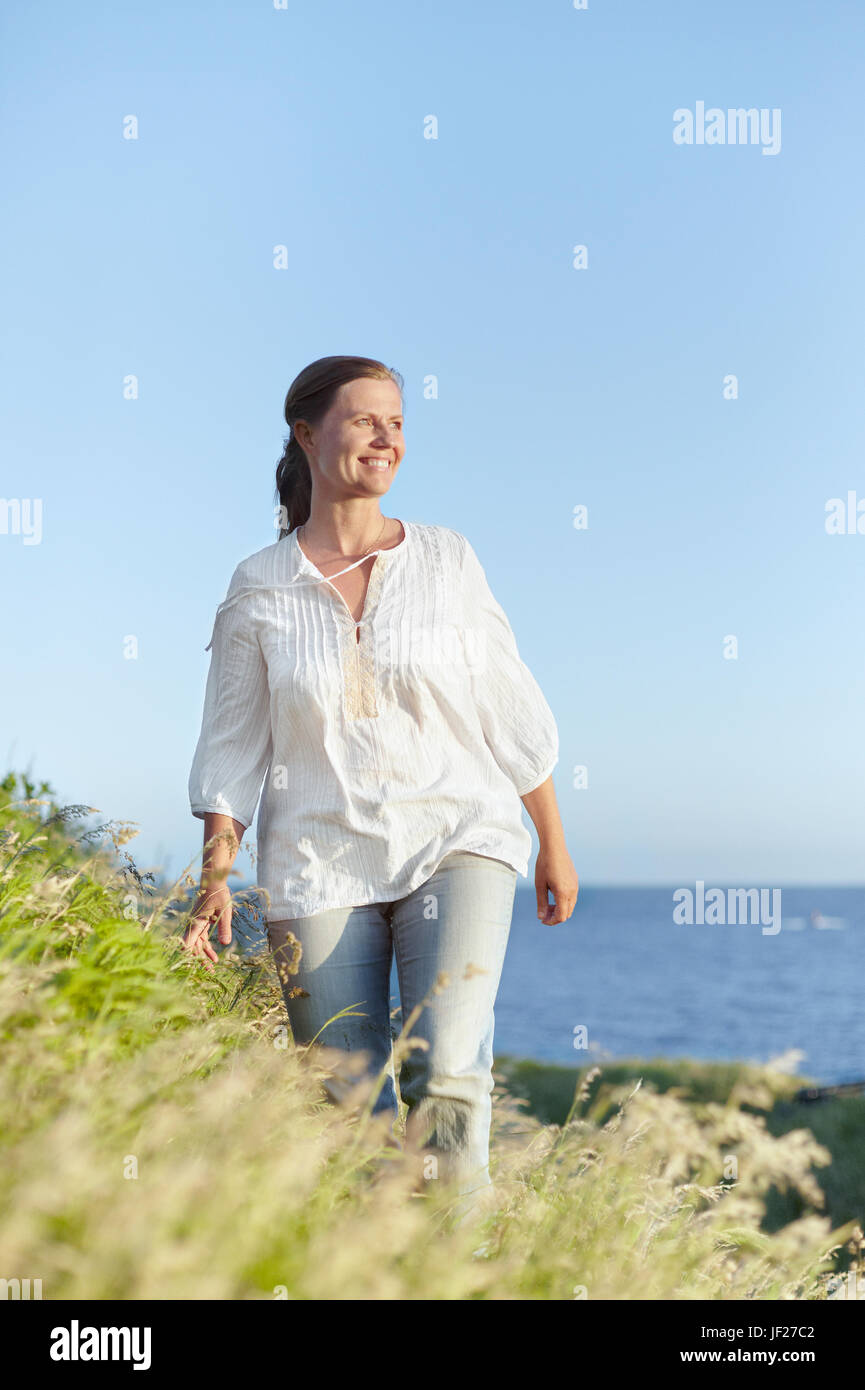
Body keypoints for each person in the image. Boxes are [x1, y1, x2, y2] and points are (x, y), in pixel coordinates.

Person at [183, 354, 579, 1215]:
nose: (385, 436)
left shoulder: (446, 560)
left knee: (446, 1065)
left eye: (396, 422)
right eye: (364, 419)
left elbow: (508, 701)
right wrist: (215, 875)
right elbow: (232, 746)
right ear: (306, 432)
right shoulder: (258, 586)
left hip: (457, 839)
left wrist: (551, 838)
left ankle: (457, 1271)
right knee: (344, 1097)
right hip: (317, 861)